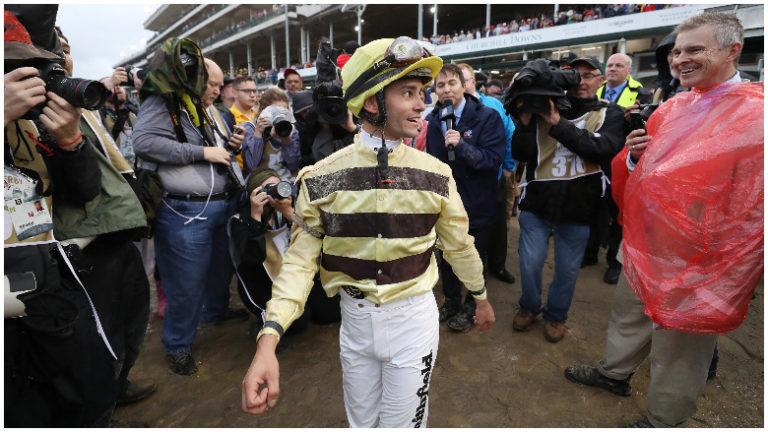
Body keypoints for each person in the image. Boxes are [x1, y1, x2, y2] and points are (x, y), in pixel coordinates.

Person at [241, 36, 495, 428]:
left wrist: (479, 296)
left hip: (414, 321)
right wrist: (268, 339)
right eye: (408, 92)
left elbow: (460, 246)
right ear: (373, 102)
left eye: (421, 92)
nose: (421, 104)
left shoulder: (438, 176)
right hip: (353, 323)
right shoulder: (319, 178)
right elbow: (298, 264)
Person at [564, 13, 763, 427]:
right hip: (648, 244)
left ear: (733, 51)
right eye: (677, 51)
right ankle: (614, 373)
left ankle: (662, 419)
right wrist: (635, 156)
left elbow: (753, 206)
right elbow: (642, 175)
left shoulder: (756, 116)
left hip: (704, 261)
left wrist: (735, 270)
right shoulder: (673, 107)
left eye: (694, 50)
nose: (680, 60)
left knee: (682, 346)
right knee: (629, 313)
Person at [132, 38, 247, 376]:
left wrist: (227, 145)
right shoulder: (164, 100)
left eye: (219, 83)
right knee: (186, 284)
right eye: (211, 83)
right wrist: (203, 153)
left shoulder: (202, 106)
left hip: (218, 206)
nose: (217, 89)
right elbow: (144, 142)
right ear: (195, 78)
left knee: (219, 272)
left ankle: (216, 312)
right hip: (185, 213)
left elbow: (208, 150)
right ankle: (178, 345)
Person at [508, 56, 625, 343]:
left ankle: (556, 315)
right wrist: (524, 122)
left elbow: (600, 149)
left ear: (601, 80)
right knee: (529, 262)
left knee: (567, 270)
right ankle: (529, 306)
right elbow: (521, 153)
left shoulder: (611, 114)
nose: (581, 81)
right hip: (537, 205)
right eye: (575, 75)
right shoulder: (541, 106)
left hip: (579, 210)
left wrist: (558, 124)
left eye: (589, 75)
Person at [425, 63, 506, 332]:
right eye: (440, 85)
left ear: (464, 85)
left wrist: (462, 146)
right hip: (446, 203)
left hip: (477, 203)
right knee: (447, 255)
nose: (446, 89)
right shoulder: (434, 119)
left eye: (451, 83)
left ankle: (473, 303)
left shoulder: (488, 117)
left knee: (475, 256)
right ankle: (451, 300)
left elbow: (492, 160)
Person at [227, 168, 340, 340]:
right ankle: (262, 322)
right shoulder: (239, 221)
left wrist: (289, 213)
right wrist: (256, 217)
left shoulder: (286, 208)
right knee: (297, 322)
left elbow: (318, 237)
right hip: (262, 285)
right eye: (269, 188)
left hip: (292, 277)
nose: (275, 193)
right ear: (254, 193)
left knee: (331, 312)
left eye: (279, 187)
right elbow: (253, 258)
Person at [584, 53, 652, 283]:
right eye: (610, 65)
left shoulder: (641, 93)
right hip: (597, 158)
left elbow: (645, 127)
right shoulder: (595, 89)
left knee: (619, 213)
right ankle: (590, 253)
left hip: (624, 163)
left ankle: (614, 262)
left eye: (619, 65)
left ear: (629, 70)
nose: (613, 69)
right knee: (594, 209)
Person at [456, 62, 518, 285]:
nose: (458, 86)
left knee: (497, 222)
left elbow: (510, 134)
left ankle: (497, 265)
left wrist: (509, 166)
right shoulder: (448, 109)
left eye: (462, 80)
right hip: (462, 180)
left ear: (473, 82)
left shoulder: (492, 105)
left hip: (494, 174)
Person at [241, 86, 301, 181]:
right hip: (262, 185)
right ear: (263, 111)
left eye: (284, 112)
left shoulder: (291, 129)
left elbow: (293, 164)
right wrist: (258, 133)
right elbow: (252, 165)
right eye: (275, 112)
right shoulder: (251, 129)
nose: (280, 116)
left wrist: (286, 139)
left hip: (288, 184)